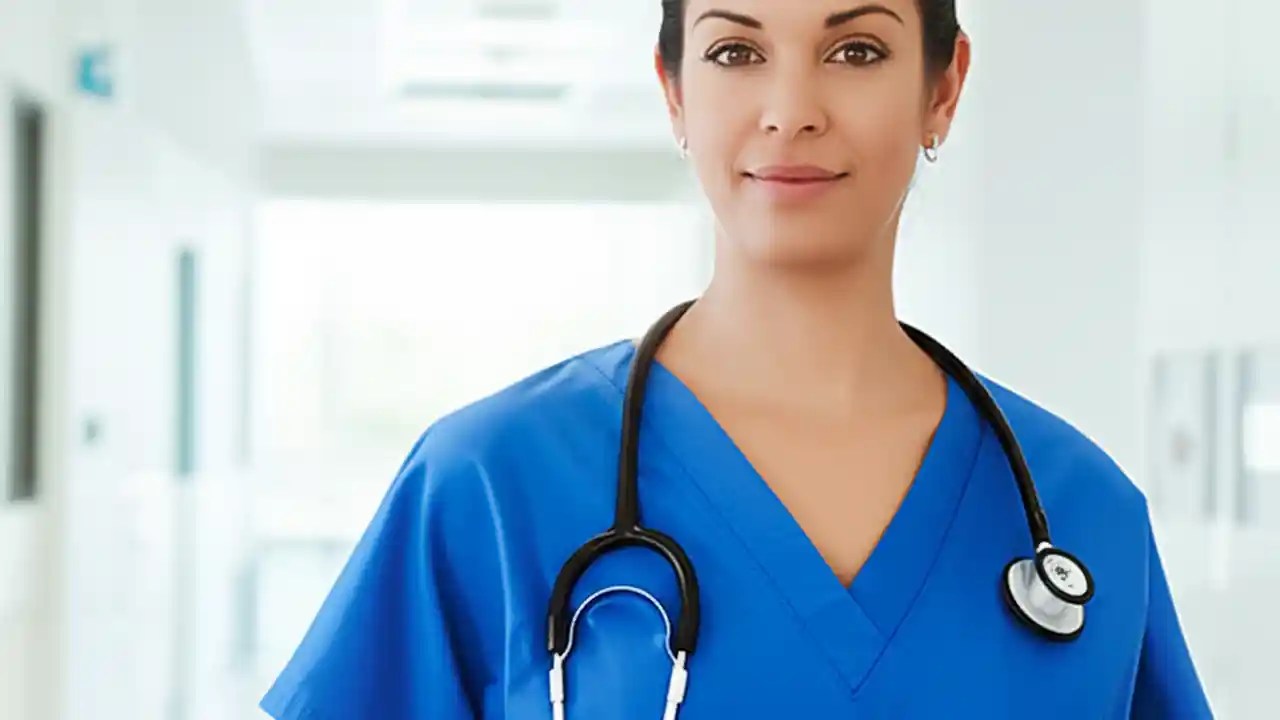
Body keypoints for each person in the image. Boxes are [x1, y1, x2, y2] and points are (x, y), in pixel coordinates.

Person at [260, 1, 1213, 717]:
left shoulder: (1084, 513)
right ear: (675, 90)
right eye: (735, 52)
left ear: (943, 88)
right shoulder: (490, 481)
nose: (790, 110)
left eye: (855, 50)